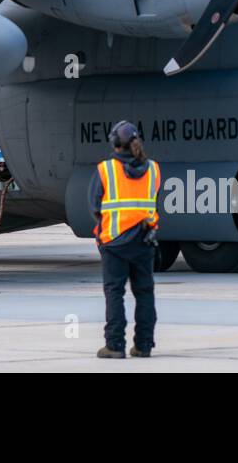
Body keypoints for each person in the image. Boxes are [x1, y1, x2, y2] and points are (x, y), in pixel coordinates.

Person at [90, 120, 161, 359]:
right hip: (144, 239)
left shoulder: (105, 169)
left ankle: (115, 345)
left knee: (114, 293)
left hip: (115, 242)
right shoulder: (153, 168)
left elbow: (94, 206)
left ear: (115, 144)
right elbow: (154, 198)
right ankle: (144, 345)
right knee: (144, 293)